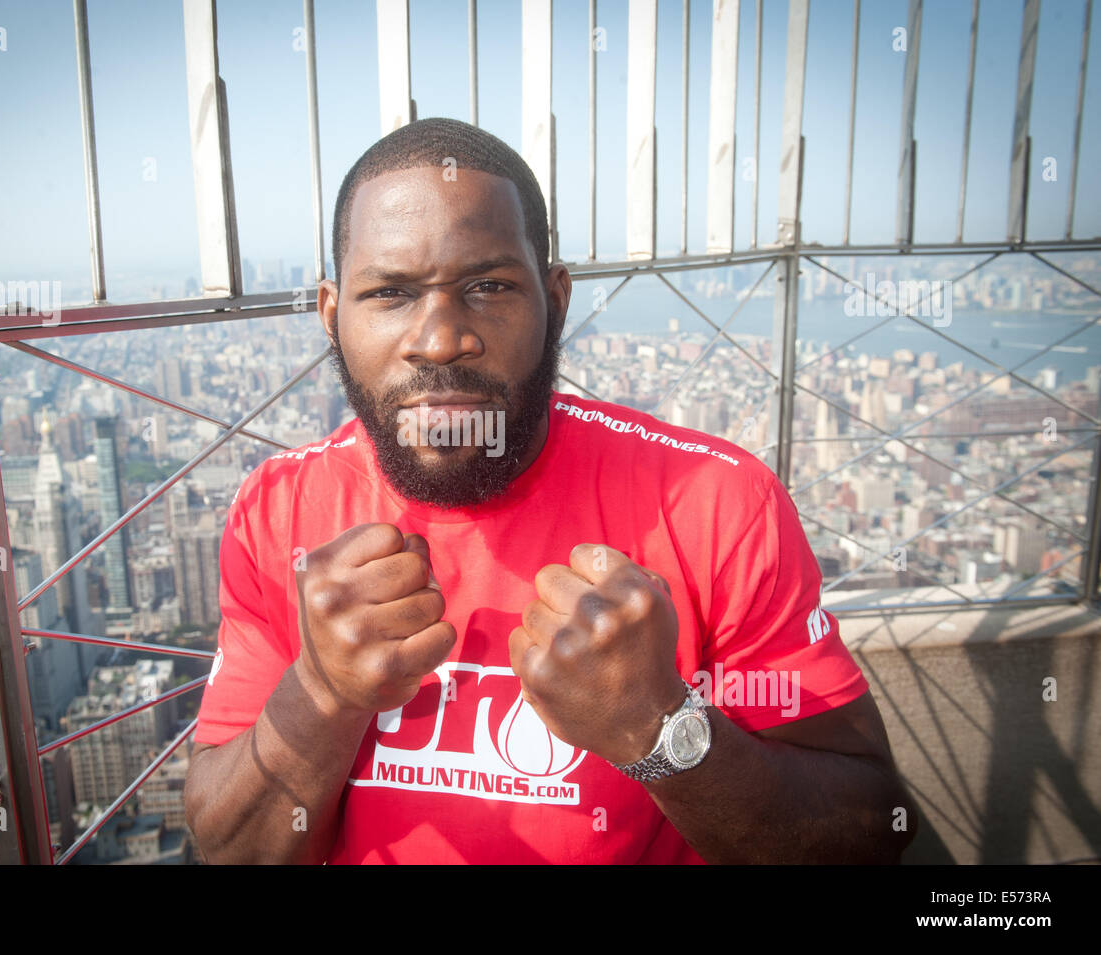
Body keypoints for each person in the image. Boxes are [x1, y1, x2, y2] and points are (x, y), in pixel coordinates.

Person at [184, 117, 916, 864]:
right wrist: (319, 694)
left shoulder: (715, 504)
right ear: (332, 316)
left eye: (488, 286)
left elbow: (871, 830)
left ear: (555, 298)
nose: (439, 340)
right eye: (391, 293)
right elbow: (229, 851)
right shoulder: (278, 513)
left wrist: (658, 730)